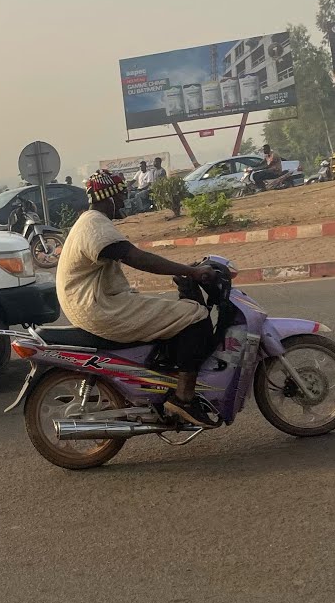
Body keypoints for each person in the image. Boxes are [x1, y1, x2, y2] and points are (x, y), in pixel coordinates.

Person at [55, 170, 219, 428]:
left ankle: (163, 379)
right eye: (121, 195)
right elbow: (137, 258)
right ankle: (183, 398)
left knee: (171, 312)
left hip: (96, 303)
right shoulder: (94, 224)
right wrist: (191, 272)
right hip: (100, 308)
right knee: (195, 316)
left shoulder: (91, 222)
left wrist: (184, 269)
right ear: (108, 196)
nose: (124, 201)